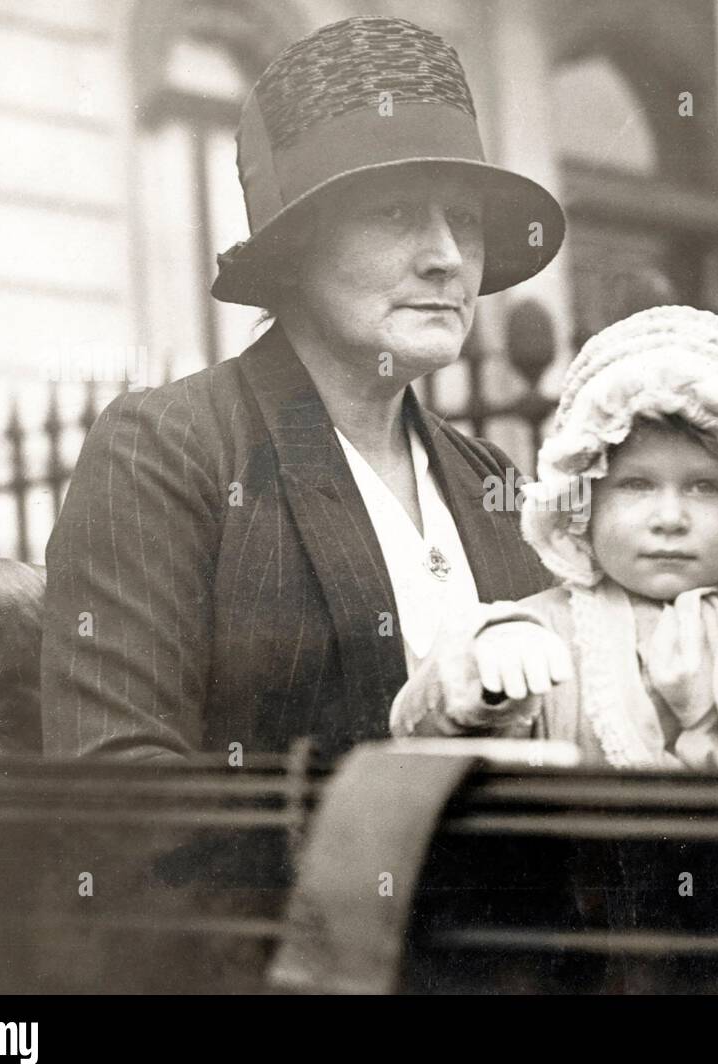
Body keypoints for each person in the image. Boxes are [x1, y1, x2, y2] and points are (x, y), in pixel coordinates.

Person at [40, 17, 565, 761]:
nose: (448, 257)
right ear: (297, 246)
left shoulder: (493, 485)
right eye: (395, 212)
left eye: (466, 218)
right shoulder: (168, 451)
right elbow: (121, 791)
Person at [390, 306, 718, 770]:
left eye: (703, 486)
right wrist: (480, 677)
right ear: (583, 503)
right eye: (636, 485)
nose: (670, 518)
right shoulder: (540, 637)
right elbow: (423, 751)